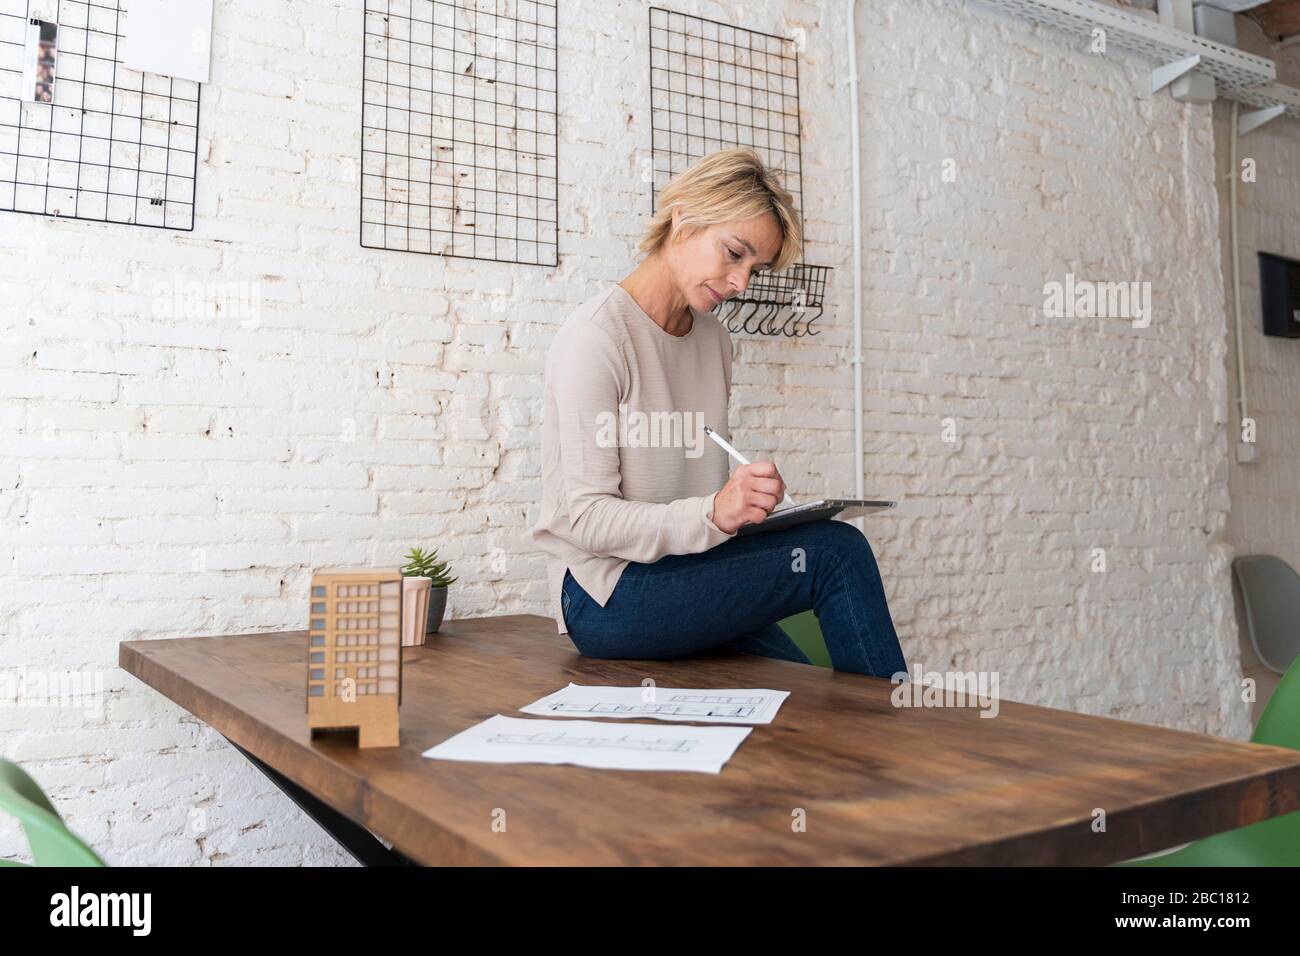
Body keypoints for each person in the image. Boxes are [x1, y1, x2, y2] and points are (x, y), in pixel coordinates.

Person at [531, 147, 907, 678]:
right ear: (683, 220)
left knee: (801, 683)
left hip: (686, 574)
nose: (741, 284)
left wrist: (750, 507)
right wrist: (713, 512)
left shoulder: (714, 340)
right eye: (734, 253)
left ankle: (881, 742)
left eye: (755, 268)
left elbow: (696, 500)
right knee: (836, 552)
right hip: (605, 595)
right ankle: (903, 734)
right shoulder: (594, 339)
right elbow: (588, 520)